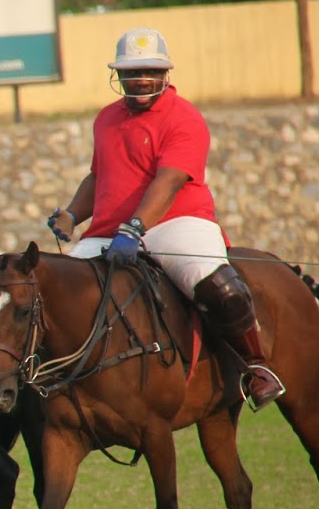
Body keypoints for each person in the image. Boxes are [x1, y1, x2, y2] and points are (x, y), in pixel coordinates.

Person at [46, 28, 285, 409]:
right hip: (108, 231)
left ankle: (257, 367)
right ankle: (55, 383)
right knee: (56, 293)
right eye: (131, 71)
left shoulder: (184, 117)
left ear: (165, 74)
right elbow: (98, 176)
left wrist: (136, 228)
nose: (140, 79)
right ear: (118, 75)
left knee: (218, 286)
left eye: (150, 70)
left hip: (177, 222)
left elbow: (169, 181)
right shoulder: (106, 119)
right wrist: (73, 215)